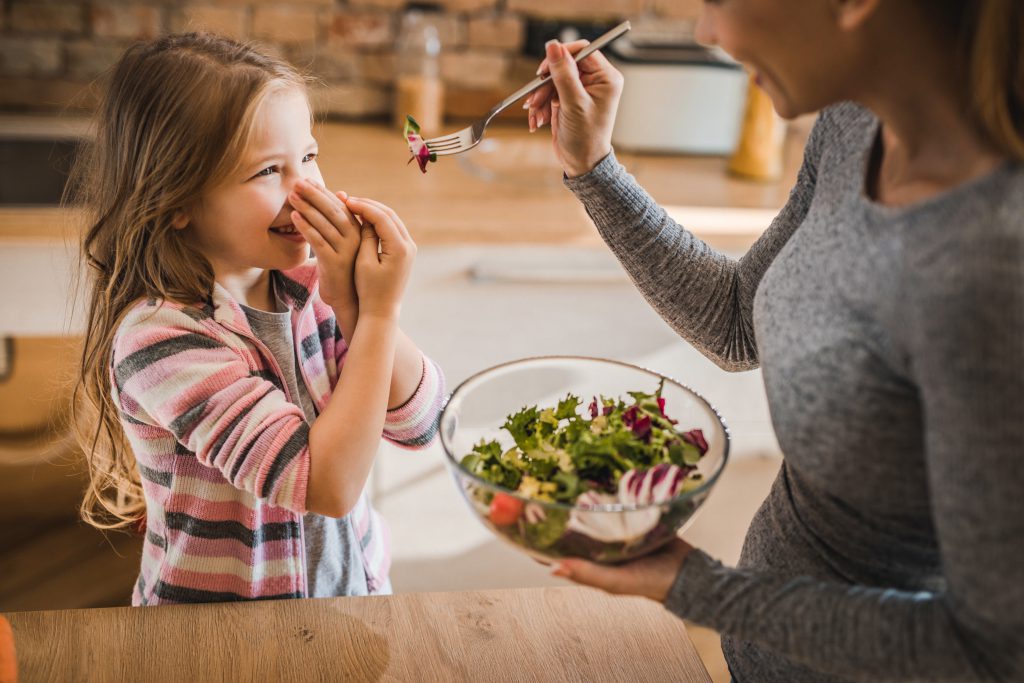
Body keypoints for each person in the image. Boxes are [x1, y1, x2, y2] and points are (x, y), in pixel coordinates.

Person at [525, 0, 1023, 680]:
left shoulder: (993, 264)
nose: (708, 32)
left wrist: (694, 586)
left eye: (718, 2)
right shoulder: (855, 127)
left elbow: (991, 649)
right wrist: (593, 167)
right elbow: (738, 319)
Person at [70, 33, 445, 605]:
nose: (306, 191)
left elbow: (420, 422)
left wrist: (354, 307)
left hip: (349, 603)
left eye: (310, 157)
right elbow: (328, 486)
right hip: (217, 640)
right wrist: (380, 312)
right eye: (269, 170)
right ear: (178, 201)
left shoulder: (315, 290)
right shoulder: (162, 340)